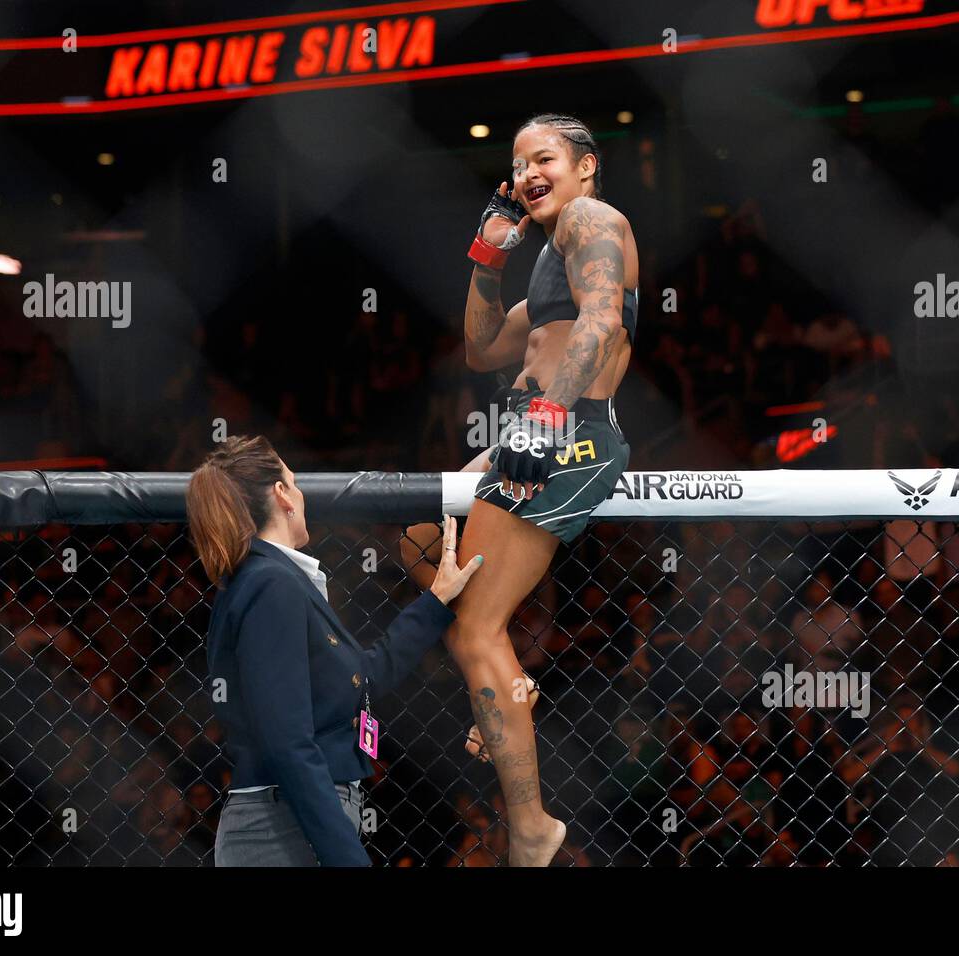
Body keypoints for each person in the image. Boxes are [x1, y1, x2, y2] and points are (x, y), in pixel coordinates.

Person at [403, 112, 640, 866]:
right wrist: (486, 259)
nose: (530, 172)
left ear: (587, 167)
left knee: (473, 630)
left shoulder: (592, 220)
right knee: (418, 546)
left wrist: (543, 419)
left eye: (547, 158)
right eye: (519, 164)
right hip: (529, 437)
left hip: (568, 434)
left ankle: (532, 826)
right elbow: (480, 350)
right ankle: (506, 685)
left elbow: (601, 324)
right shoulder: (549, 265)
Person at [187, 434, 482, 865]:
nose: (303, 494)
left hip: (293, 817)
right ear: (282, 494)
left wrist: (434, 603)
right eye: (295, 481)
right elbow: (287, 744)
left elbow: (364, 675)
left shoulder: (275, 580)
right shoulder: (270, 585)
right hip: (285, 823)